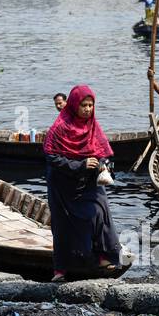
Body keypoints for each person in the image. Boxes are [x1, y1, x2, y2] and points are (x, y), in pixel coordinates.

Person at [44, 85, 121, 283]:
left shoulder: (92, 126)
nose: (87, 109)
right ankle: (60, 269)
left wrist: (103, 166)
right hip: (62, 183)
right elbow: (52, 157)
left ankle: (104, 257)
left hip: (88, 180)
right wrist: (80, 164)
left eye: (91, 105)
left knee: (100, 211)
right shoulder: (60, 127)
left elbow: (102, 152)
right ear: (74, 105)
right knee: (63, 224)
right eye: (84, 105)